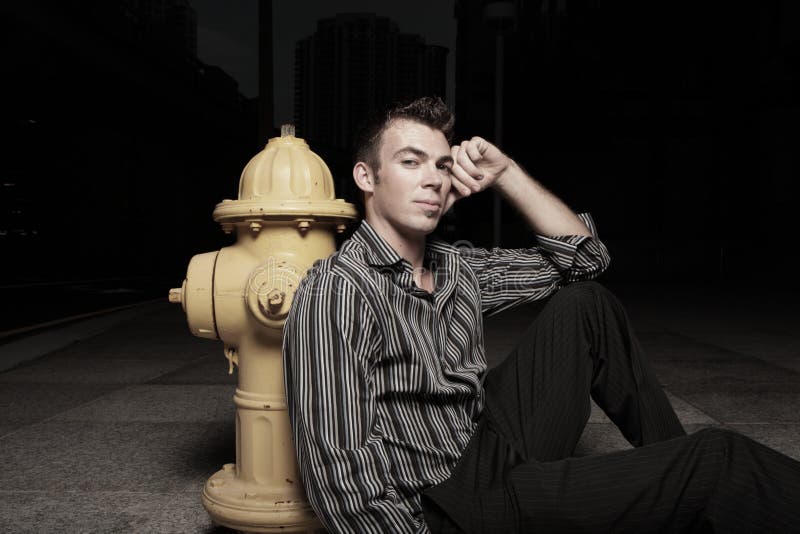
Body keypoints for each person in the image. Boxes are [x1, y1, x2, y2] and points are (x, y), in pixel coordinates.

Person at [282, 96, 800, 533]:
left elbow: (586, 258)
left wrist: (504, 172)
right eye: (410, 162)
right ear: (366, 176)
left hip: (485, 445)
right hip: (450, 504)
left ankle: (681, 497)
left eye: (442, 166)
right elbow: (338, 475)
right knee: (720, 461)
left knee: (587, 305)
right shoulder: (338, 292)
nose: (433, 181)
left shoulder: (458, 269)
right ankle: (698, 486)